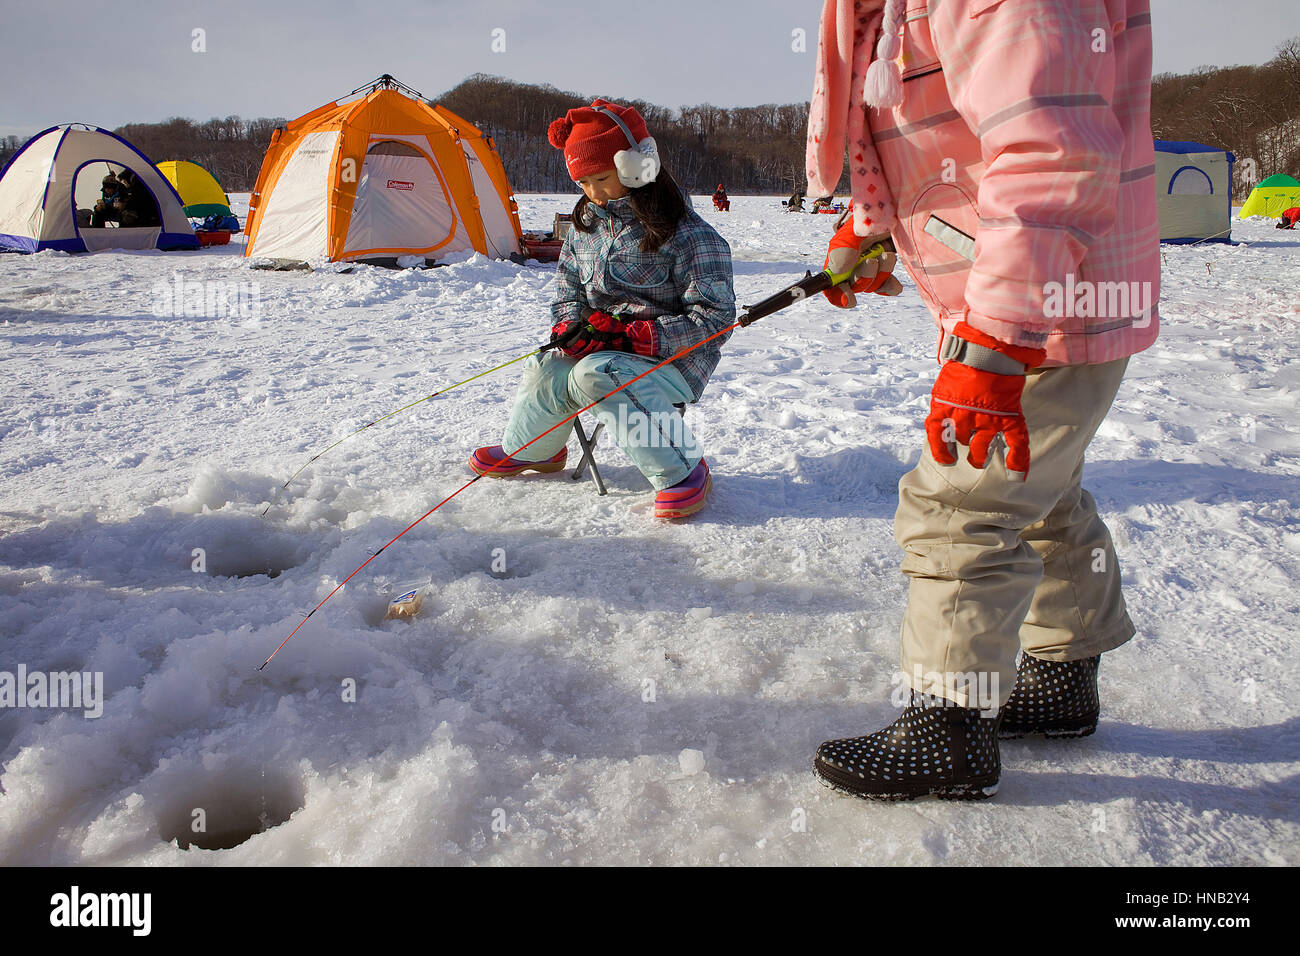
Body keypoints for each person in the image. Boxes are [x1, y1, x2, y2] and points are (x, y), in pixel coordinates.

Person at [804, 0, 1160, 800]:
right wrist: (868, 225)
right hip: (1037, 294)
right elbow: (923, 127)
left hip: (1045, 301)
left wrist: (996, 341)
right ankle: (1065, 674)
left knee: (960, 501)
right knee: (1039, 492)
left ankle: (949, 731)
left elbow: (1050, 154)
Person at [469, 99, 735, 519]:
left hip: (675, 361)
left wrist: (636, 336)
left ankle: (683, 468)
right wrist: (570, 329)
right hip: (603, 351)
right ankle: (533, 449)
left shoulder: (690, 234)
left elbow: (716, 319)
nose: (593, 192)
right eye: (584, 183)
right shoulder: (586, 227)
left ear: (637, 165)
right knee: (547, 365)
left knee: (600, 373)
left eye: (602, 178)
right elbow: (567, 288)